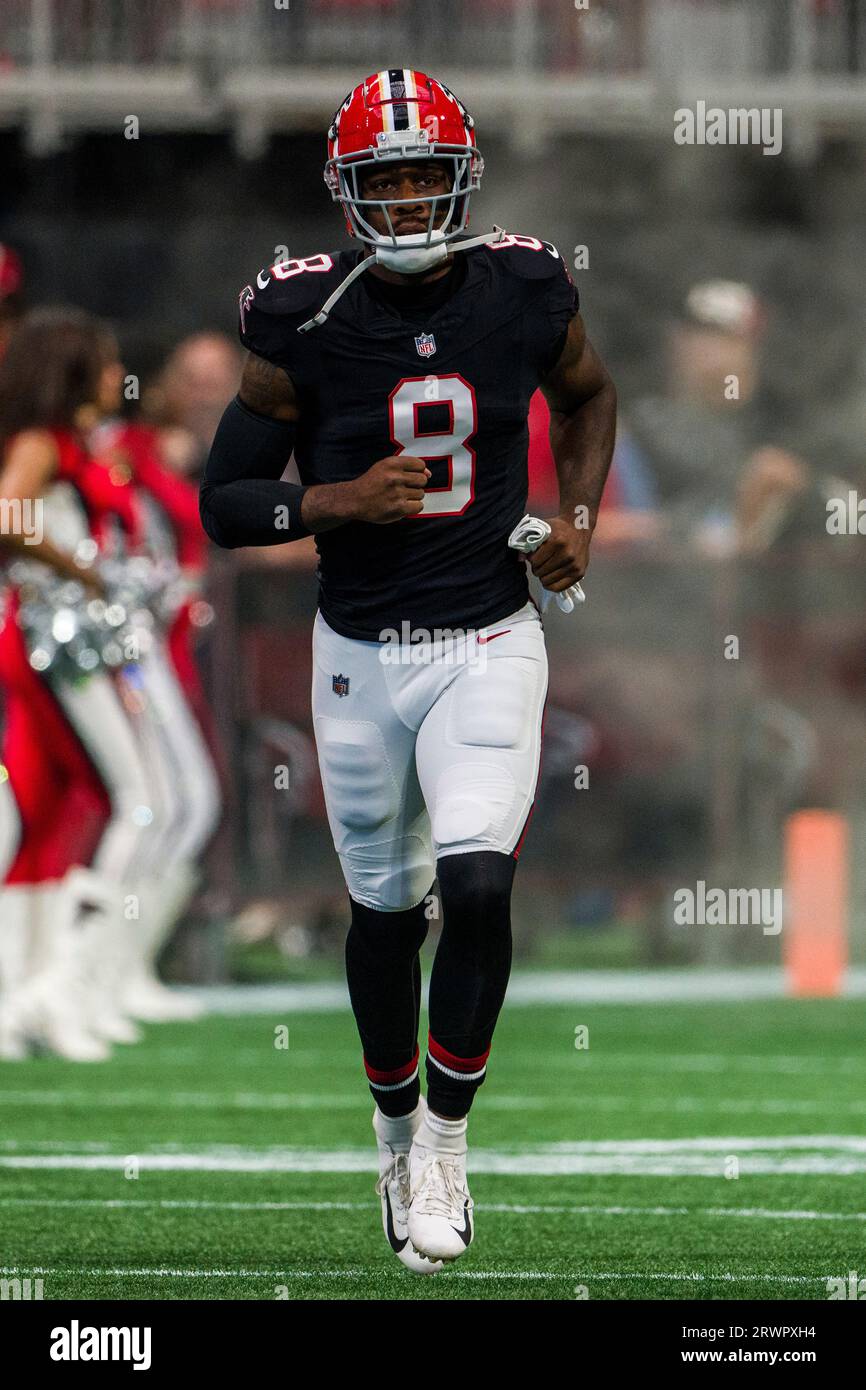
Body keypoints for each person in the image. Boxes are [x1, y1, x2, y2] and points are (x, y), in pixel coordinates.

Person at [200, 69, 616, 1272]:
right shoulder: (300, 315)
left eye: (420, 176)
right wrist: (331, 500)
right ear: (345, 194)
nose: (403, 202)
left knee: (477, 887)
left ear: (460, 176)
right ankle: (390, 1136)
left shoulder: (526, 288)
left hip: (488, 636)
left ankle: (443, 1139)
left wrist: (576, 515)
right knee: (385, 914)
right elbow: (224, 502)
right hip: (359, 655)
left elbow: (588, 397)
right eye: (379, 182)